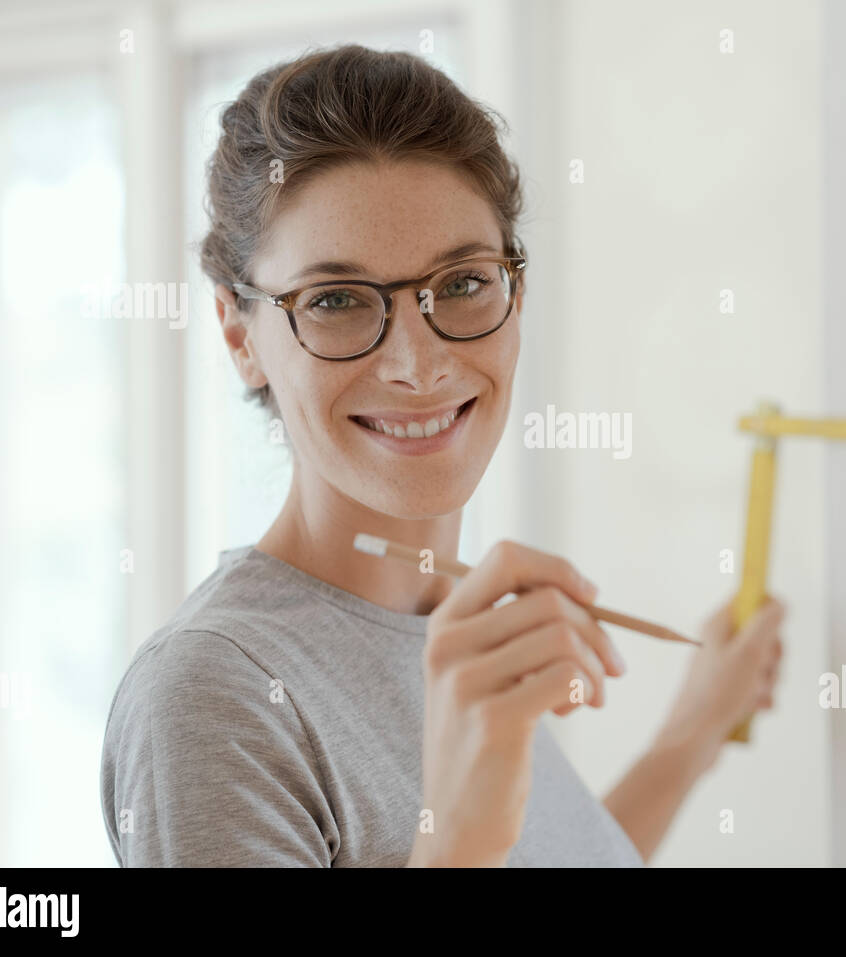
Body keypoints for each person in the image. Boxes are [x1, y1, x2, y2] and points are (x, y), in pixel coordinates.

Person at [99, 44, 785, 867]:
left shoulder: (452, 633)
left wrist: (694, 731)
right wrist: (461, 833)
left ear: (516, 293)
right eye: (337, 301)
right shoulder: (214, 696)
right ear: (240, 334)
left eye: (461, 283)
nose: (418, 365)